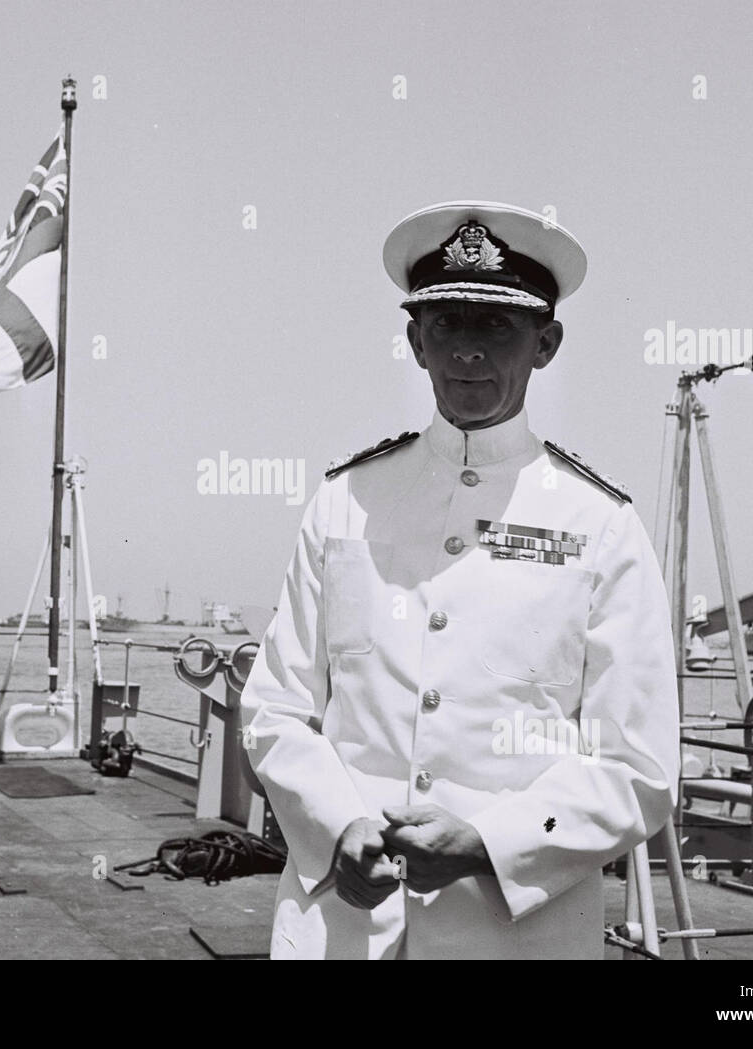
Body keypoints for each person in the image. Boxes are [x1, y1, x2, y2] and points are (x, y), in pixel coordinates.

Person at [238, 201, 680, 959]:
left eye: (495, 327)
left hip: (516, 936)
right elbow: (276, 707)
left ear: (546, 343)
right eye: (446, 325)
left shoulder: (601, 525)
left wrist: (487, 840)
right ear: (415, 340)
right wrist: (339, 825)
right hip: (341, 932)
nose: (467, 353)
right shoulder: (345, 501)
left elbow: (638, 766)